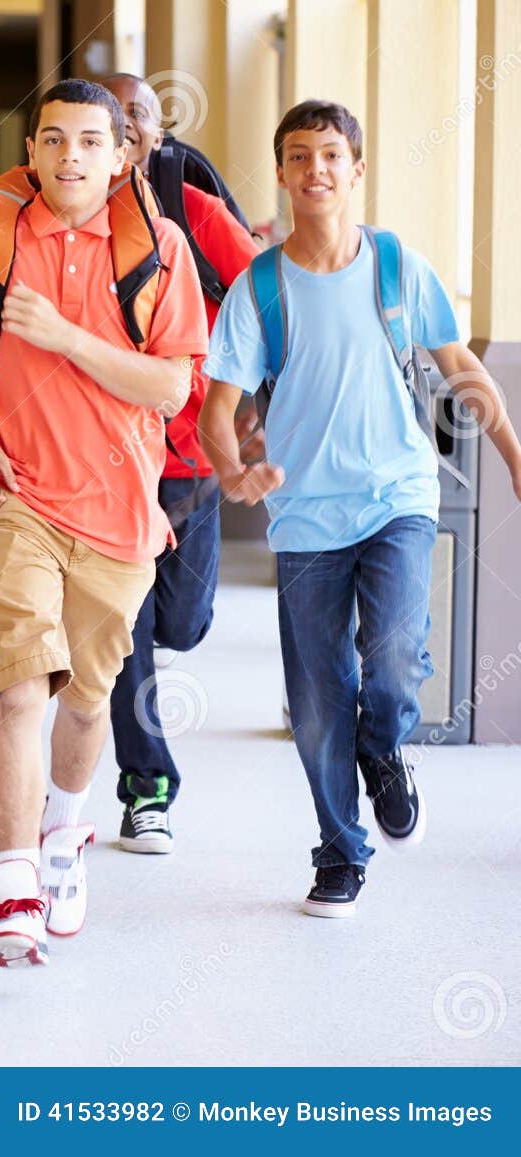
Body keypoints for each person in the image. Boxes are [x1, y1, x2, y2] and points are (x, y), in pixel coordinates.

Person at [199, 99, 521, 918]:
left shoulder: (396, 266)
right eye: (299, 156)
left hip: (397, 496)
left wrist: (515, 458)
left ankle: (384, 745)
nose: (316, 170)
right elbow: (217, 403)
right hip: (304, 514)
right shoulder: (260, 286)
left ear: (357, 169)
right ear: (281, 171)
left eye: (332, 155)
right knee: (314, 700)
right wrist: (233, 471)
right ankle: (341, 849)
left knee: (392, 654)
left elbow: (462, 369)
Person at [0, 79, 207, 967]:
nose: (70, 156)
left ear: (124, 154)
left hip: (122, 513)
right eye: (53, 139)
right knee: (18, 688)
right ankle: (13, 884)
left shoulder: (159, 249)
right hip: (18, 499)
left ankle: (64, 830)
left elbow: (170, 385)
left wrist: (62, 336)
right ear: (34, 150)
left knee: (87, 700)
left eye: (92, 140)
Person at [99, 73, 260, 852]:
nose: (124, 125)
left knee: (182, 624)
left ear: (156, 135)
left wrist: (255, 393)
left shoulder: (193, 210)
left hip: (189, 449)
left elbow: (266, 286)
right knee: (126, 621)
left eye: (139, 114)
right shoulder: (59, 220)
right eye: (109, 111)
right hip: (99, 456)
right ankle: (146, 785)